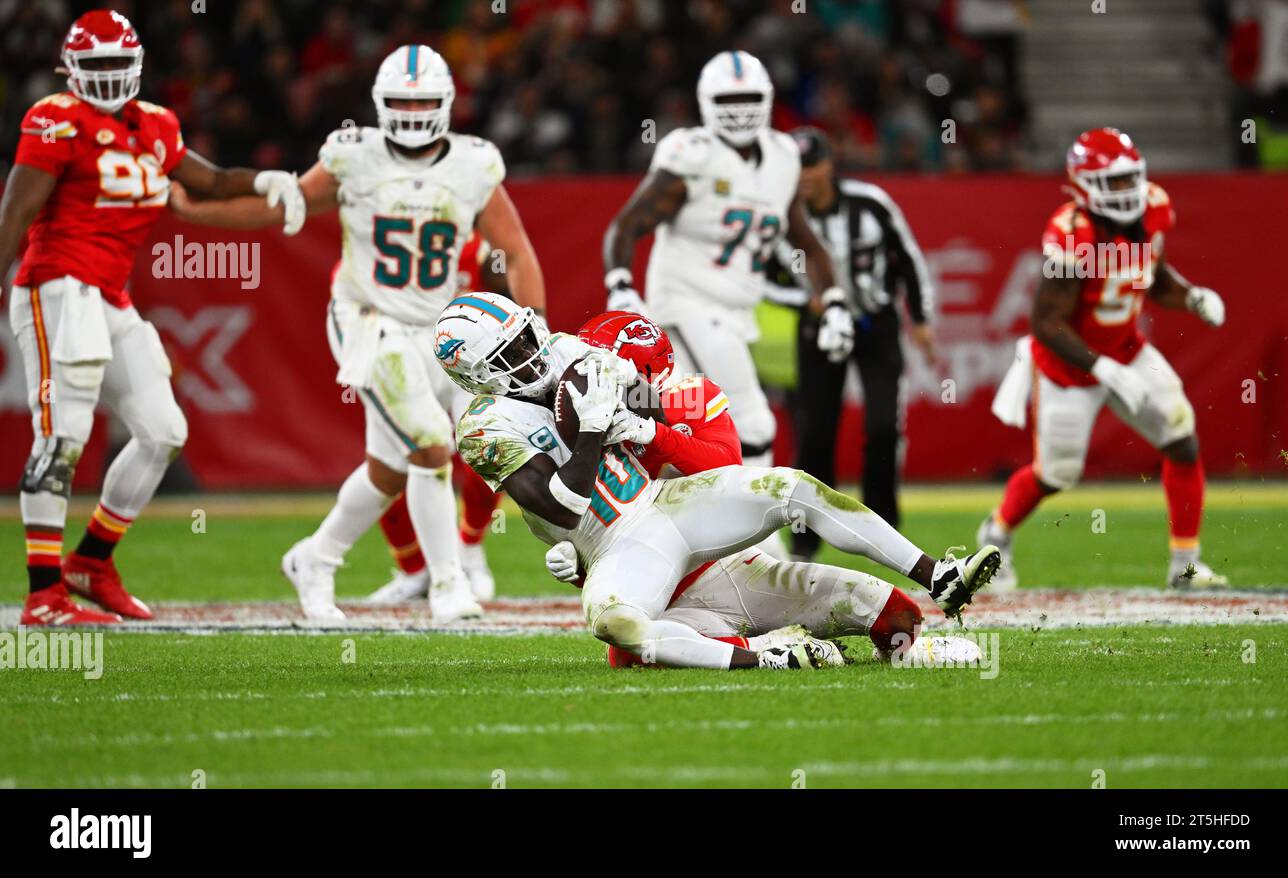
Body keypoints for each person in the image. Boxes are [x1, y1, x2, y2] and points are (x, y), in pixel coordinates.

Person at [169, 45, 546, 622]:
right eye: (401, 101)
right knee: (429, 442)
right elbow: (283, 206)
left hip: (441, 328)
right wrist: (196, 214)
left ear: (447, 105)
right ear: (379, 104)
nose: (412, 112)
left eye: (423, 102)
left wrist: (535, 327)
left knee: (390, 466)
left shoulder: (473, 165)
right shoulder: (355, 157)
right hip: (369, 320)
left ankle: (316, 559)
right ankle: (448, 583)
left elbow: (516, 249)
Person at [436, 292, 1001, 670]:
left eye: (531, 335)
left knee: (792, 488)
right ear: (473, 372)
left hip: (665, 505)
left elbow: (694, 442)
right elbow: (561, 510)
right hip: (617, 544)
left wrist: (633, 413)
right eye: (515, 351)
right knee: (617, 626)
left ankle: (939, 575)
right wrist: (588, 435)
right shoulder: (485, 427)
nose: (536, 353)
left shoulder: (585, 357)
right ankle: (767, 657)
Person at [0, 10, 306, 625]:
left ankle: (91, 562)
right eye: (98, 65)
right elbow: (16, 209)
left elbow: (212, 183)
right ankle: (43, 595)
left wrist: (273, 180)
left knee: (163, 430)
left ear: (137, 67)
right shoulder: (55, 119)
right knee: (61, 438)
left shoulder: (156, 125)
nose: (110, 77)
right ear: (71, 70)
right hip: (58, 288)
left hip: (111, 298)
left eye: (119, 64)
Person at [601, 50, 853, 558]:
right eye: (727, 100)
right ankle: (762, 543)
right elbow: (627, 224)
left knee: (686, 431)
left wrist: (834, 298)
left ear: (767, 101)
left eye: (748, 99)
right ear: (706, 103)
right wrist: (620, 281)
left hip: (734, 312)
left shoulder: (783, 155)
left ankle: (659, 536)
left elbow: (800, 237)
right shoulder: (691, 153)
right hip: (684, 303)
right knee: (754, 423)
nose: (738, 110)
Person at [978, 127, 1228, 590]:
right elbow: (1047, 323)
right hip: (1068, 370)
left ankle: (1185, 567)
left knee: (1182, 437)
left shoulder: (1152, 208)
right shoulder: (1072, 233)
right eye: (1114, 181)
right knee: (1056, 476)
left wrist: (1191, 297)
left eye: (1131, 177)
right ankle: (995, 534)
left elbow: (1150, 272)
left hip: (1128, 351)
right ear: (1084, 183)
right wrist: (1101, 367)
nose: (1128, 190)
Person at [774, 127, 936, 554]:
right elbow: (758, 280)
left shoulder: (870, 204)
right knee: (815, 433)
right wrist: (803, 301)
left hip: (875, 325)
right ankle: (806, 536)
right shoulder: (778, 216)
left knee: (883, 427)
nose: (805, 176)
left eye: (812, 165)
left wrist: (920, 317)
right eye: (798, 168)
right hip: (817, 330)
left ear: (830, 164)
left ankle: (884, 529)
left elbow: (908, 259)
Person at [367, 231, 507, 604]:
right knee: (390, 461)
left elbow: (503, 295)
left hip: (468, 363)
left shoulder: (477, 246)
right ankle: (413, 569)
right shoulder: (383, 239)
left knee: (489, 447)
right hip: (404, 357)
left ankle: (469, 550)